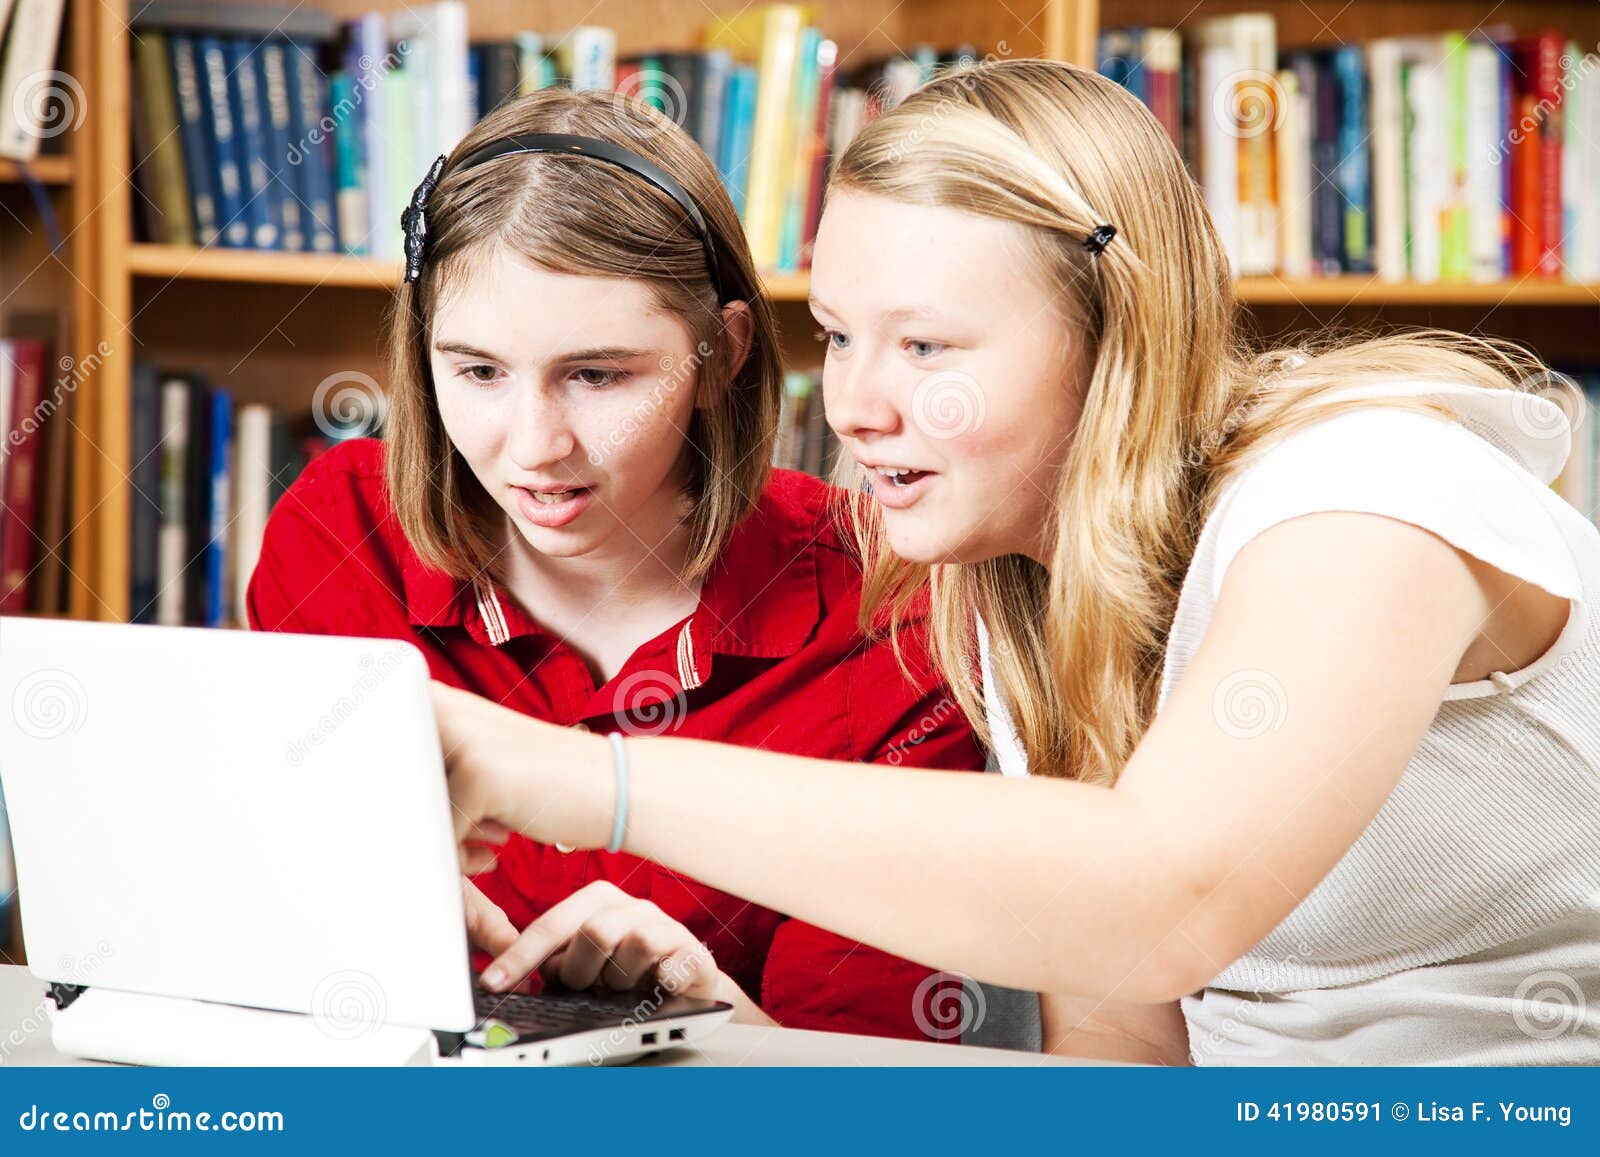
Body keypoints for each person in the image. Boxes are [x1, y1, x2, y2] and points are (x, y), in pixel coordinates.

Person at [433, 60, 1600, 1065]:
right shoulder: (1015, 584)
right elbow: (1126, 1067)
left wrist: (589, 780)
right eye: (839, 335)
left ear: (1113, 335)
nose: (852, 405)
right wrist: (740, 1042)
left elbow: (1161, 895)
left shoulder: (1364, 499)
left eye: (927, 344)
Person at [246, 87, 986, 1041]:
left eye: (596, 375)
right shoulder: (341, 526)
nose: (533, 445)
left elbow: (861, 1088)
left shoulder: (892, 603)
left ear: (721, 354)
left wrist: (709, 1010)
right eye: (476, 371)